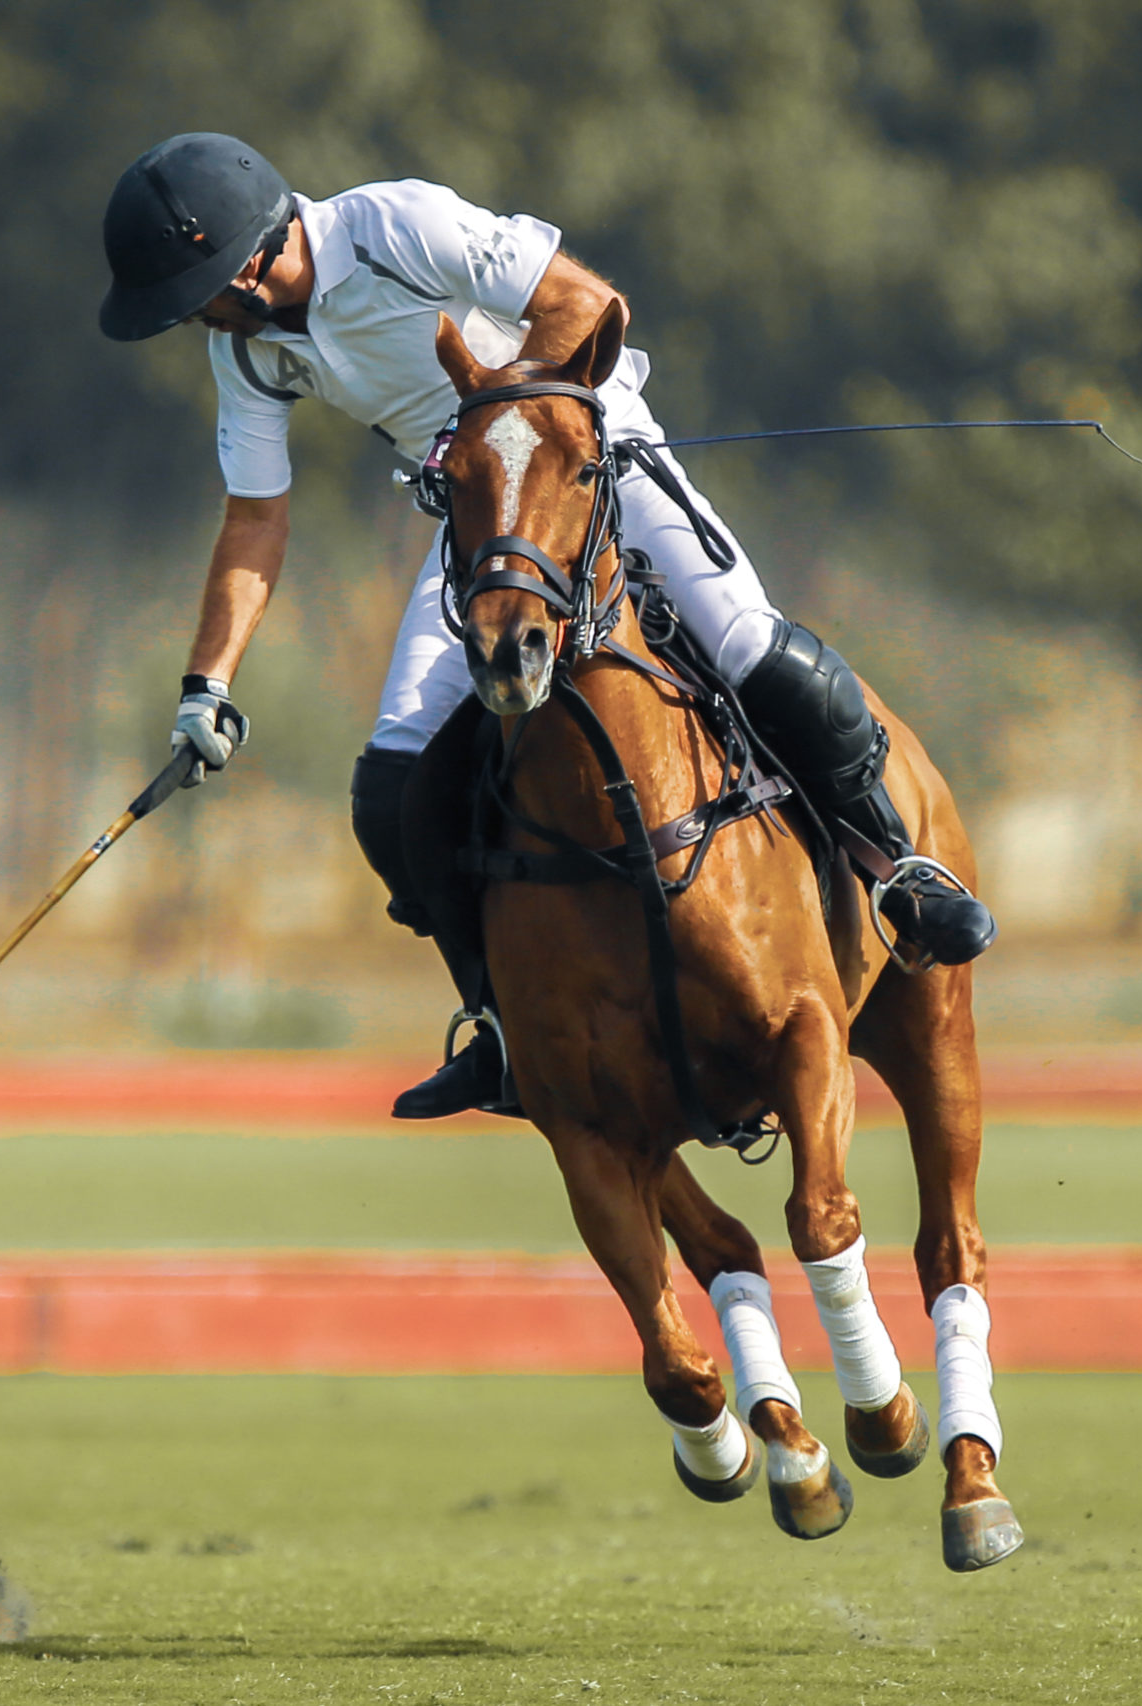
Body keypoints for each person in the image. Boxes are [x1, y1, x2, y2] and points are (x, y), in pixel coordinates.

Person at [99, 133, 995, 1120]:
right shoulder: (247, 349)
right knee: (392, 788)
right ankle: (498, 1022)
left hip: (590, 460)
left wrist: (501, 412)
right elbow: (254, 518)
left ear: (245, 261)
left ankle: (897, 871)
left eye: (196, 296)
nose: (196, 320)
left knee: (749, 647)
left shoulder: (397, 226)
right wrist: (207, 684)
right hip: (485, 522)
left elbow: (587, 302)